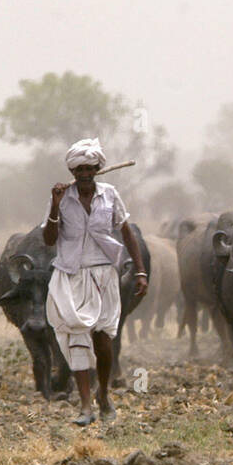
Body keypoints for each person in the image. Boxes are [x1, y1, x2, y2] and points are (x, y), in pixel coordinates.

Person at [43, 138, 148, 426]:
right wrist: (54, 205)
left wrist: (140, 271)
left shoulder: (110, 194)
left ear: (97, 169)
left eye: (90, 169)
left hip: (104, 274)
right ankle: (85, 406)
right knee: (77, 337)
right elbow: (49, 239)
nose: (85, 175)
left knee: (103, 341)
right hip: (71, 275)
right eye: (80, 170)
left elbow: (127, 234)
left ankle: (103, 394)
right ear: (73, 172)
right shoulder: (62, 198)